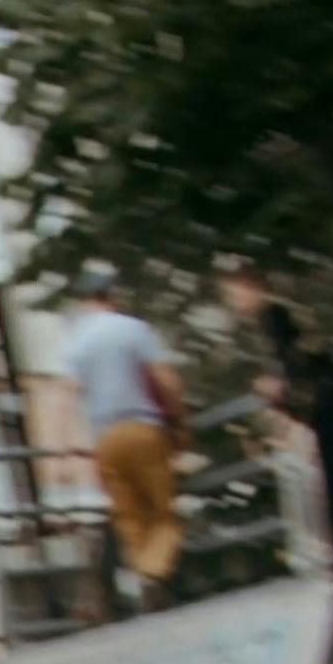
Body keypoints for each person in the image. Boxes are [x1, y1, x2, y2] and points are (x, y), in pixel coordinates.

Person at [219, 262, 333, 575]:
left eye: (235, 295)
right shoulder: (281, 318)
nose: (234, 303)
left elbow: (297, 371)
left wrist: (280, 400)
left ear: (251, 288)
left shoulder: (274, 318)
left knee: (330, 488)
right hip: (329, 404)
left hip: (321, 411)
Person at [60, 263, 190, 615]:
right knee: (163, 512)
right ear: (112, 296)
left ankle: (146, 577)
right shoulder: (133, 330)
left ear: (84, 300)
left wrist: (72, 450)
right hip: (142, 429)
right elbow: (165, 381)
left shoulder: (75, 344)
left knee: (129, 516)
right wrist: (178, 420)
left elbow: (69, 397)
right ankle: (153, 572)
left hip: (106, 440)